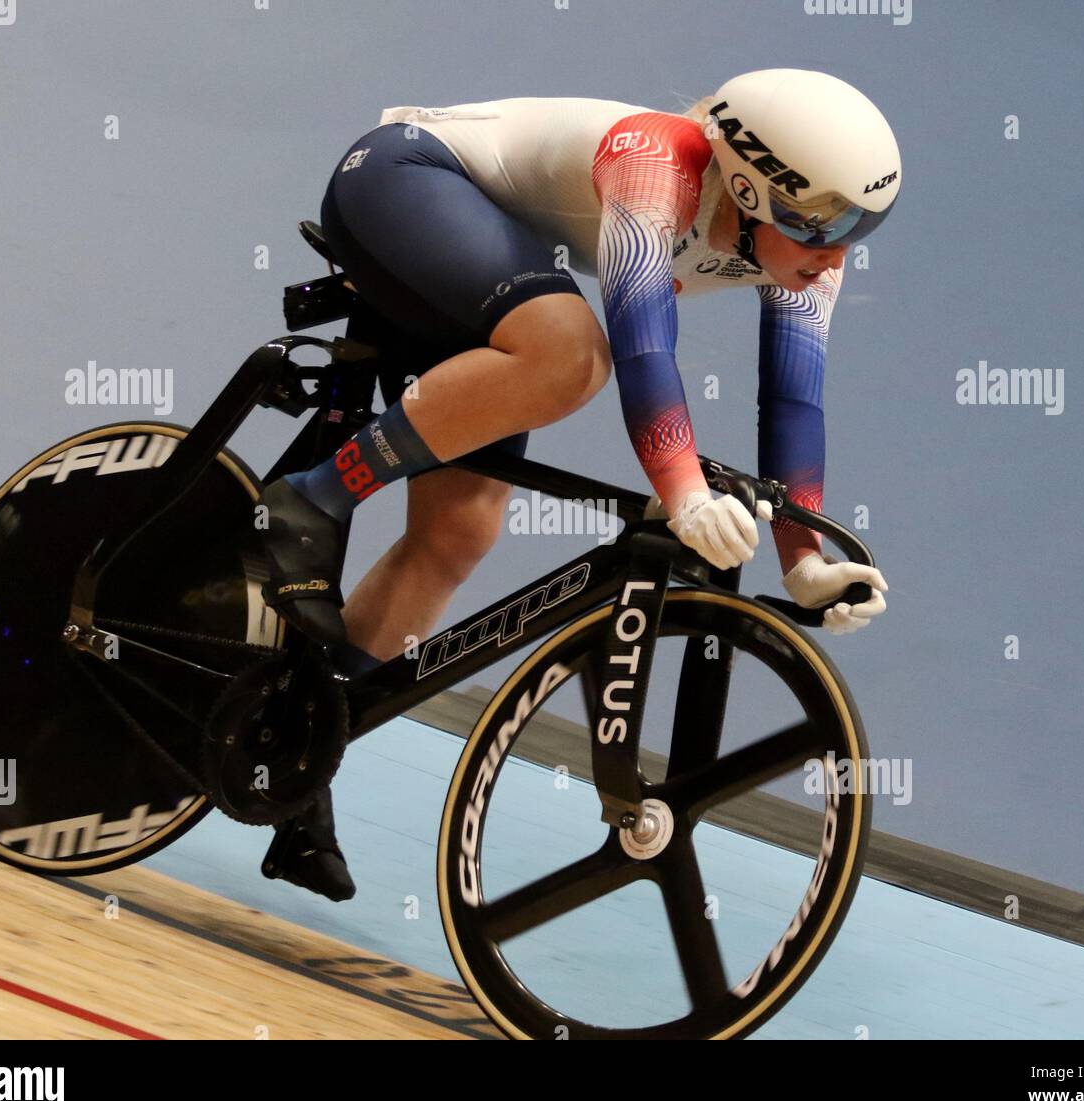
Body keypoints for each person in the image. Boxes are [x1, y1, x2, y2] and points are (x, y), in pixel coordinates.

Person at [262, 69, 896, 900]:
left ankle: (298, 751)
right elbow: (642, 348)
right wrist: (685, 496)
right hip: (402, 183)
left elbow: (792, 399)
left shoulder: (808, 254)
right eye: (826, 226)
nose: (838, 252)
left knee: (457, 536)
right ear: (748, 187)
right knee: (572, 356)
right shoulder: (656, 166)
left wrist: (802, 561)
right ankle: (312, 498)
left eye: (861, 226)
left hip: (485, 265)